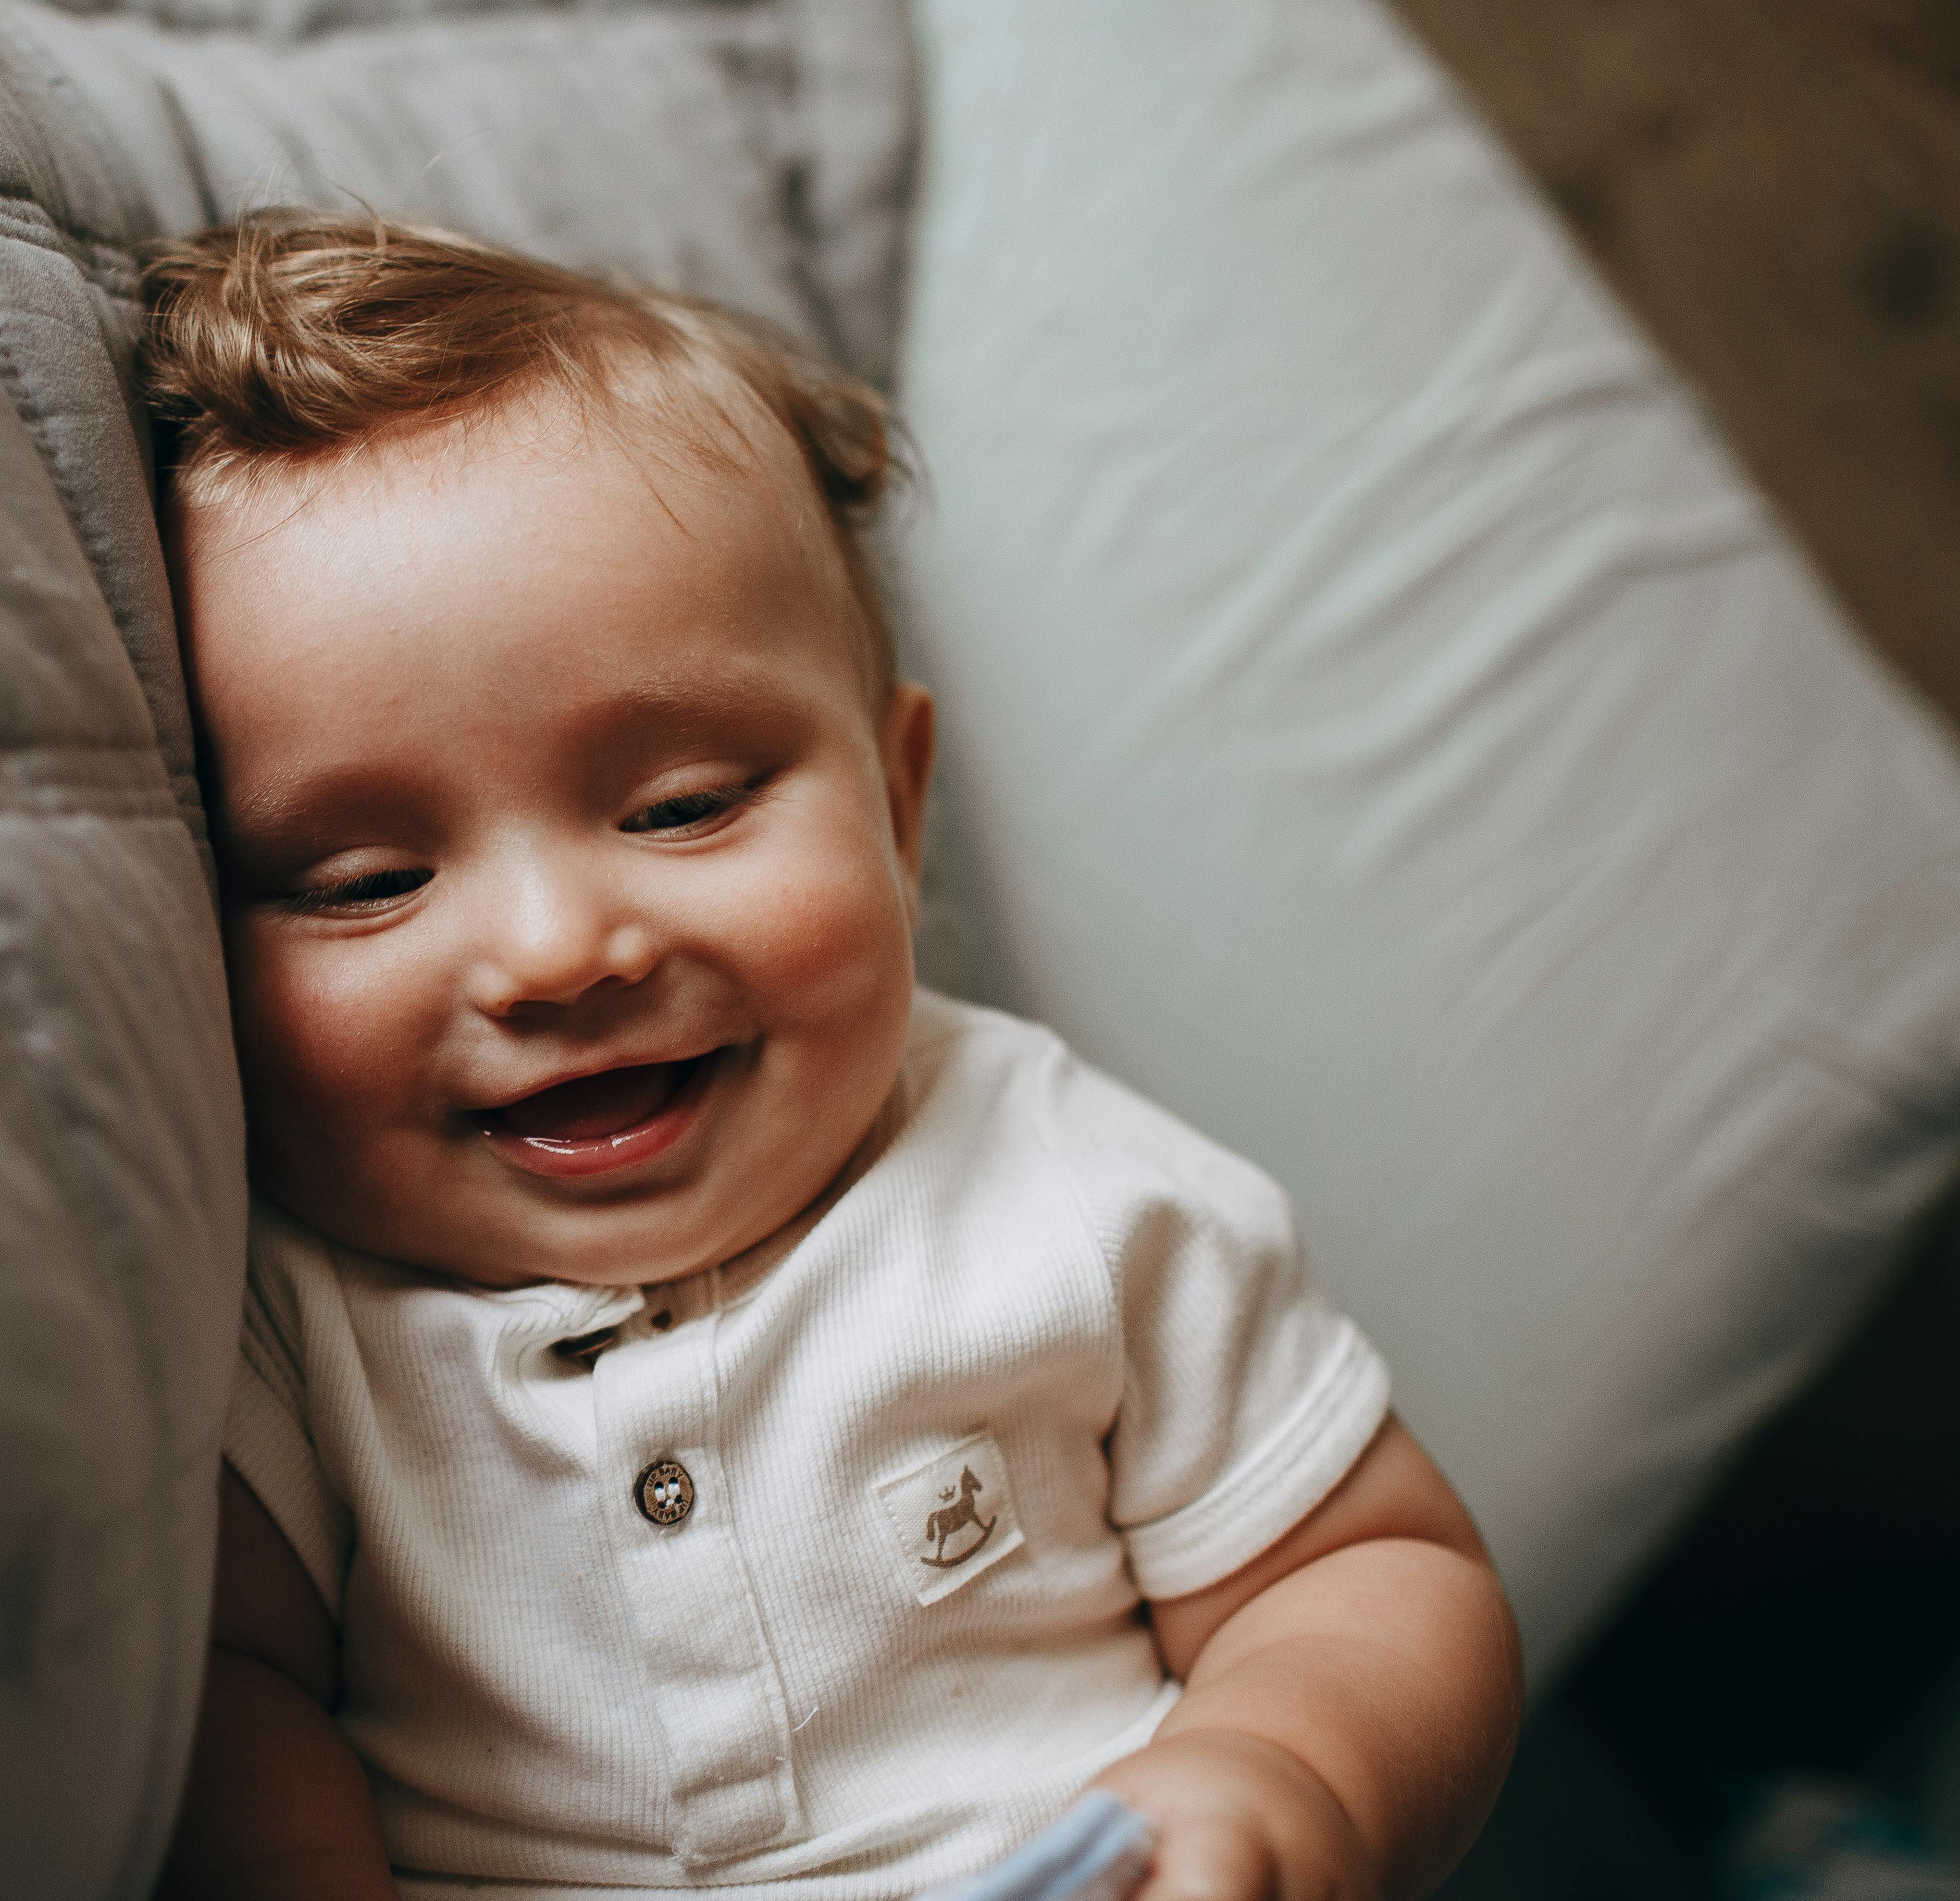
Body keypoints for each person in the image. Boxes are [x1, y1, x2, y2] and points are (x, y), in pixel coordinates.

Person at [140, 210, 1520, 1901]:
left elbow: (1370, 1571)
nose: (563, 951)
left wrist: (1286, 1773)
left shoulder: (1065, 1194)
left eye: (685, 805)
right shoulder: (286, 1324)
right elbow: (226, 1691)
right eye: (367, 883)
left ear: (899, 802)